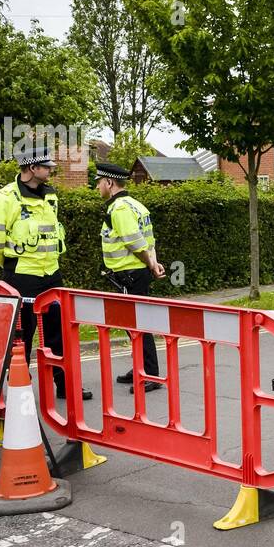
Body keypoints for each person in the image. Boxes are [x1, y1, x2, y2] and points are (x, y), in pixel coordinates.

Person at [0, 145, 91, 400]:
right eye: (47, 167)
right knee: (22, 336)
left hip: (52, 275)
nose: (51, 171)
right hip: (22, 278)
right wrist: (14, 267)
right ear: (32, 168)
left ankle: (65, 386)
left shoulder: (51, 195)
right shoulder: (4, 199)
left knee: (60, 333)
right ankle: (20, 390)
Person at [95, 162, 166, 392]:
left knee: (138, 326)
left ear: (109, 182)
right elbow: (149, 241)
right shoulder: (136, 205)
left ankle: (150, 375)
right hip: (136, 273)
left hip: (129, 275)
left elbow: (135, 243)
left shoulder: (119, 209)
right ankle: (140, 368)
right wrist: (153, 264)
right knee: (132, 324)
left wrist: (149, 264)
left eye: (98, 182)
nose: (97, 187)